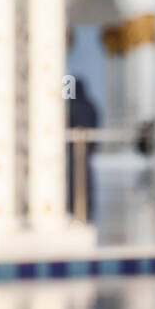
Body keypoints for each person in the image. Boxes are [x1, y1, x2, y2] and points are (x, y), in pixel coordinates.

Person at [67, 74, 99, 220]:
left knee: (72, 177)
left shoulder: (70, 105)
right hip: (86, 149)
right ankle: (87, 206)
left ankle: (73, 206)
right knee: (86, 177)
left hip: (72, 150)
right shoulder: (89, 104)